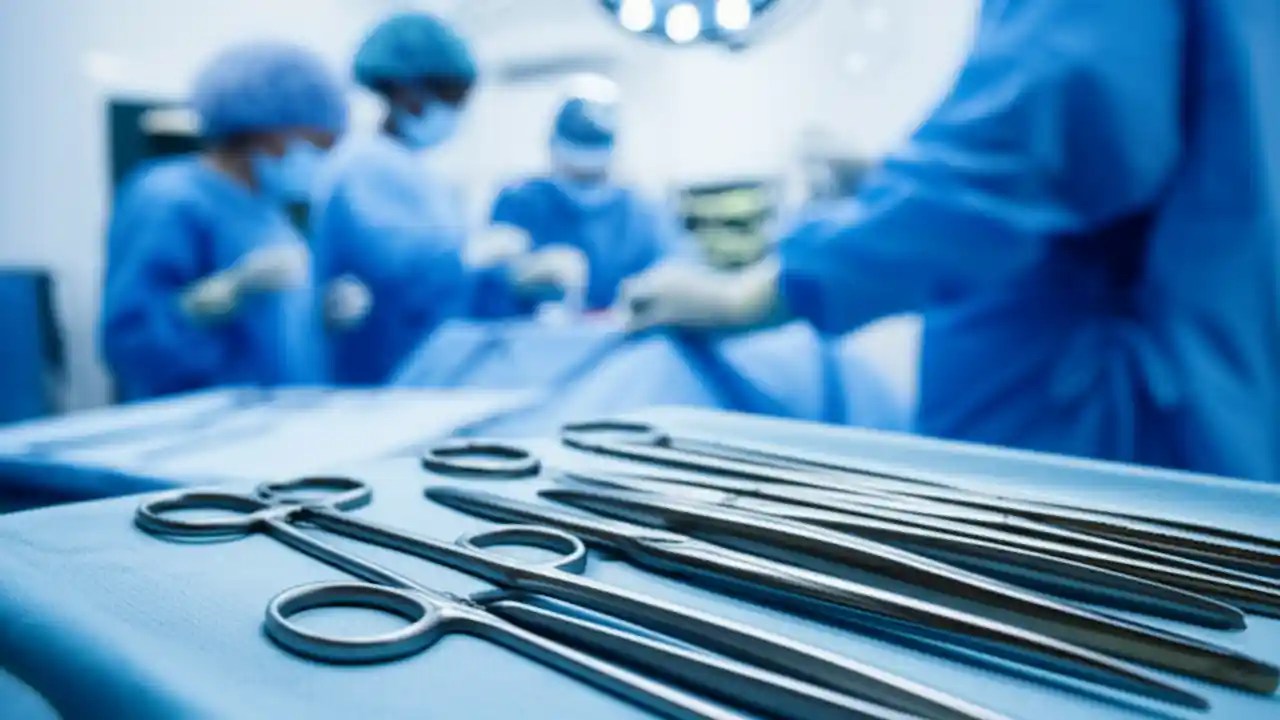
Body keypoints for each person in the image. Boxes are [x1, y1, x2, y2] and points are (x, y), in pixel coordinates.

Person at [623, 0, 1280, 481]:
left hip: (1102, 432)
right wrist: (882, 181)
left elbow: (1042, 138)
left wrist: (753, 296)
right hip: (1222, 401)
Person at [100, 42, 348, 401]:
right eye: (317, 143)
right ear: (267, 130)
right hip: (192, 429)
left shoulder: (269, 210)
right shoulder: (167, 197)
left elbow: (267, 331)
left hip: (277, 422)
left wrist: (316, 314)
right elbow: (130, 340)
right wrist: (217, 298)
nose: (321, 160)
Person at [310, 12, 480, 385]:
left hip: (420, 367)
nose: (456, 112)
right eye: (452, 98)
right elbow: (398, 271)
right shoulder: (364, 165)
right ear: (407, 93)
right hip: (377, 370)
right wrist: (470, 256)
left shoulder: (415, 169)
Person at [478, 93, 686, 316]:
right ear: (552, 148)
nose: (586, 180)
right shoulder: (519, 203)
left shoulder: (643, 212)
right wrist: (520, 275)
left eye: (595, 174)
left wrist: (661, 287)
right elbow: (480, 286)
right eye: (576, 172)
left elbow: (678, 268)